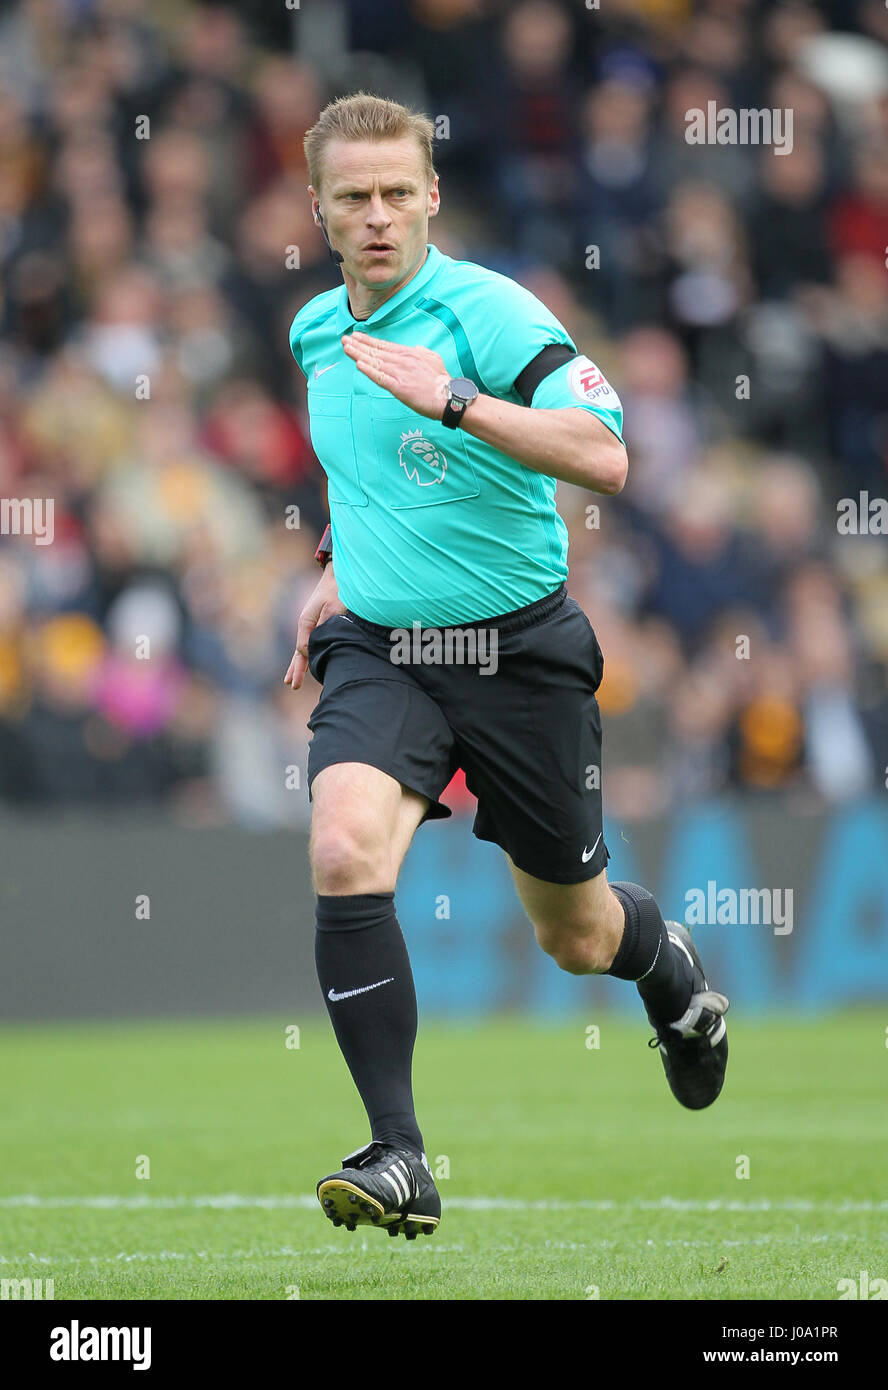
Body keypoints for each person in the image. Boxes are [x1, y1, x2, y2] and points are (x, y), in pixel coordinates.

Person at [284, 92, 729, 1240]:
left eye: (397, 192)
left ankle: (668, 969)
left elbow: (606, 455)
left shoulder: (488, 312)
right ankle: (401, 1155)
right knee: (342, 848)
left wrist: (462, 400)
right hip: (384, 649)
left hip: (516, 655)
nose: (378, 215)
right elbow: (366, 468)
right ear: (320, 210)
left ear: (432, 195)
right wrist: (332, 566)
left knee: (575, 936)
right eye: (353, 197)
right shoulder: (314, 332)